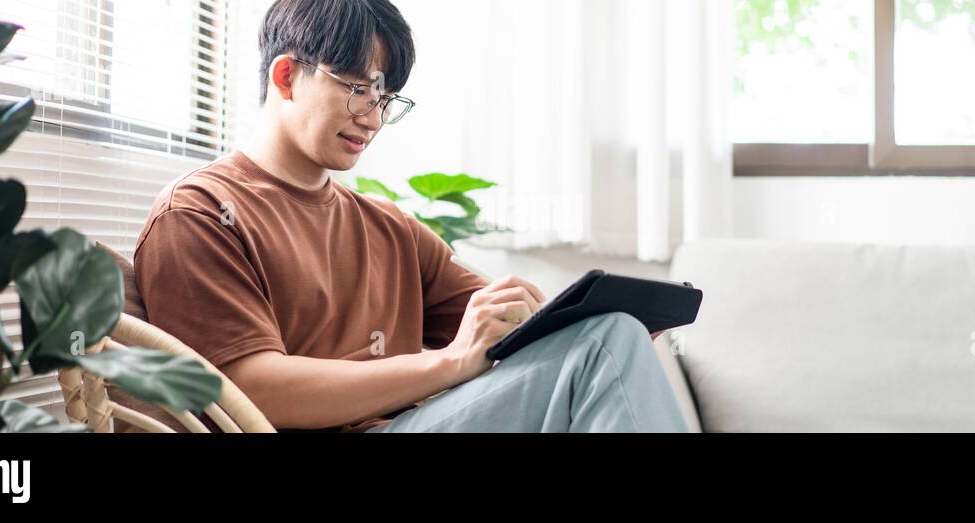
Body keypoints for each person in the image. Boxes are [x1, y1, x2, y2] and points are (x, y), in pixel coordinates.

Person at [134, 0, 689, 433]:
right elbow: (245, 387)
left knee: (607, 337)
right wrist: (447, 365)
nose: (373, 119)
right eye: (359, 91)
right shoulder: (199, 214)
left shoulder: (387, 228)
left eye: (387, 99)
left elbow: (509, 329)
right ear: (285, 77)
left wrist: (585, 323)